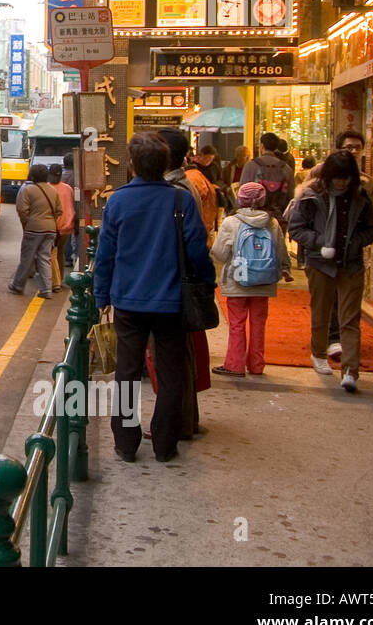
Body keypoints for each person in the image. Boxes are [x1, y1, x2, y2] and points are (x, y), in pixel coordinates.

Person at [94, 132, 215, 463]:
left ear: (132, 164)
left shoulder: (118, 201)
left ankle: (126, 440)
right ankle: (165, 442)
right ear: (165, 166)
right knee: (171, 372)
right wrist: (207, 282)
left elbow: (105, 254)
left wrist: (101, 294)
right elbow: (196, 250)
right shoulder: (180, 200)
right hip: (171, 302)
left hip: (129, 301)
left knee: (127, 371)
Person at [288, 150, 373, 393]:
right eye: (337, 177)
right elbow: (296, 228)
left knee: (350, 318)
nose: (341, 182)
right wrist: (320, 243)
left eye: (346, 177)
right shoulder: (311, 195)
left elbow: (372, 229)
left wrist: (354, 242)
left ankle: (350, 370)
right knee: (322, 312)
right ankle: (318, 353)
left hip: (351, 263)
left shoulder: (360, 197)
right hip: (320, 263)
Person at [157, 127, 212, 439]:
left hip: (173, 285)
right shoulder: (179, 185)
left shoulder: (179, 189)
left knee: (174, 359)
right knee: (180, 357)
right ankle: (185, 420)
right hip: (177, 282)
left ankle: (179, 424)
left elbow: (193, 241)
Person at [210, 182, 293, 376]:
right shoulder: (272, 223)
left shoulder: (232, 222)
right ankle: (256, 364)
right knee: (258, 324)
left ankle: (234, 364)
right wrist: (285, 270)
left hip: (238, 279)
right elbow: (281, 252)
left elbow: (220, 254)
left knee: (237, 323)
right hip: (264, 281)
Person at [8, 164, 61, 299]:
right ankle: (46, 290)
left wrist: (28, 223)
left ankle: (18, 285)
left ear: (32, 176)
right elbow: (59, 210)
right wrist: (50, 219)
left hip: (34, 229)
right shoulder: (53, 190)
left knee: (27, 258)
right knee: (45, 259)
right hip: (50, 229)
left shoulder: (28, 190)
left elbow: (22, 210)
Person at [239, 132, 294, 226]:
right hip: (277, 220)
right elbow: (290, 197)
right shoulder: (286, 169)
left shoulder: (251, 166)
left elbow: (242, 194)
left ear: (261, 146)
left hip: (253, 220)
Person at [48, 163, 75, 284]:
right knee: (60, 252)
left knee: (49, 253)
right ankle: (60, 277)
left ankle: (54, 280)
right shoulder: (68, 188)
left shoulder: (46, 188)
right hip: (67, 225)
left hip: (51, 226)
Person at [62, 153, 80, 267]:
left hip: (64, 209)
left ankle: (67, 258)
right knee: (78, 234)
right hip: (76, 208)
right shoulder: (77, 177)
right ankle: (78, 257)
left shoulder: (59, 176)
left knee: (66, 235)